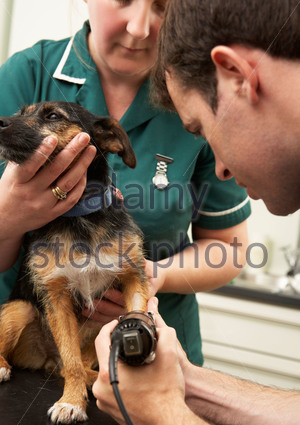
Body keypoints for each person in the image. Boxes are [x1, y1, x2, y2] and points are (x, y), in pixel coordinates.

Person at [92, 0, 300, 425]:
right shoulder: (26, 73)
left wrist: (165, 420)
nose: (220, 169)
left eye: (201, 130)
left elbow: (228, 246)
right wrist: (187, 384)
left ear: (237, 77)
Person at [0, 0, 250, 366]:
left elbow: (230, 248)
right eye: (123, 0)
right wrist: (10, 216)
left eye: (163, 7)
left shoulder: (205, 92)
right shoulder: (28, 73)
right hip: (31, 350)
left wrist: (153, 276)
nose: (139, 27)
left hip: (151, 353)